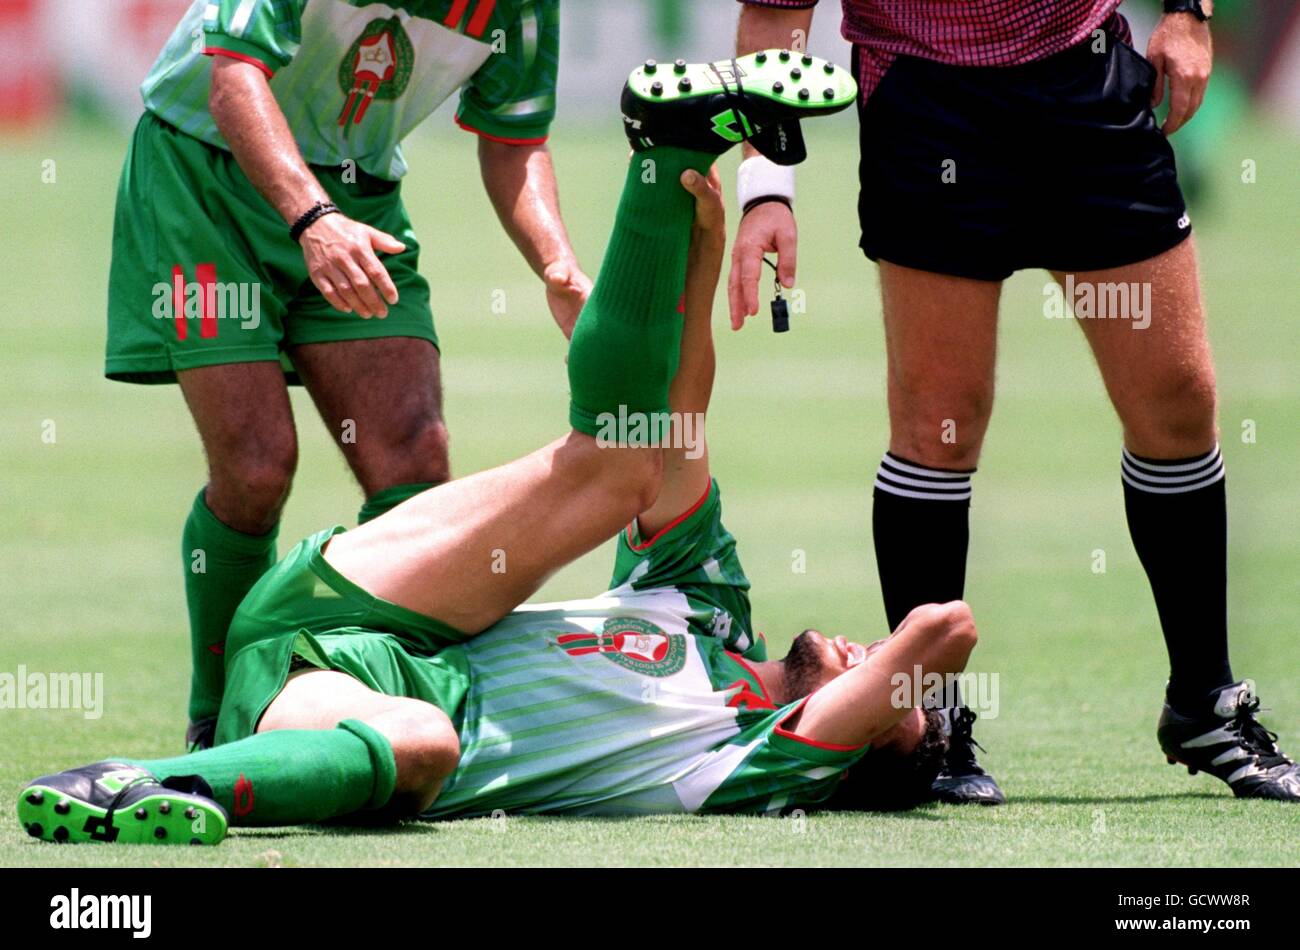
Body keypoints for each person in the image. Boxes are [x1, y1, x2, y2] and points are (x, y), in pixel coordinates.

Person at [17, 51, 971, 846]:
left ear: (851, 742)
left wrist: (918, 700)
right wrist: (696, 229)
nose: (869, 655)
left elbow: (945, 631)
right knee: (625, 457)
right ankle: (666, 152)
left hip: (327, 701)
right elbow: (679, 421)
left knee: (427, 742)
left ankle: (146, 782)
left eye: (889, 704)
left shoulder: (748, 767)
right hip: (365, 607)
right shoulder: (711, 612)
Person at [729, 0, 1299, 803]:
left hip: (1082, 75)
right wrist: (766, 188)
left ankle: (1204, 702)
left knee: (1177, 400)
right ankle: (934, 719)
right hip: (928, 100)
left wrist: (1188, 12)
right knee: (938, 424)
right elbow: (772, 16)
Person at [105, 0, 590, 751]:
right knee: (258, 466)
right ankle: (220, 721)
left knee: (415, 462)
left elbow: (514, 138)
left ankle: (390, 694)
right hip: (199, 176)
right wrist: (312, 220)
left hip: (357, 192)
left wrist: (556, 262)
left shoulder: (524, 7)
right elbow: (232, 78)